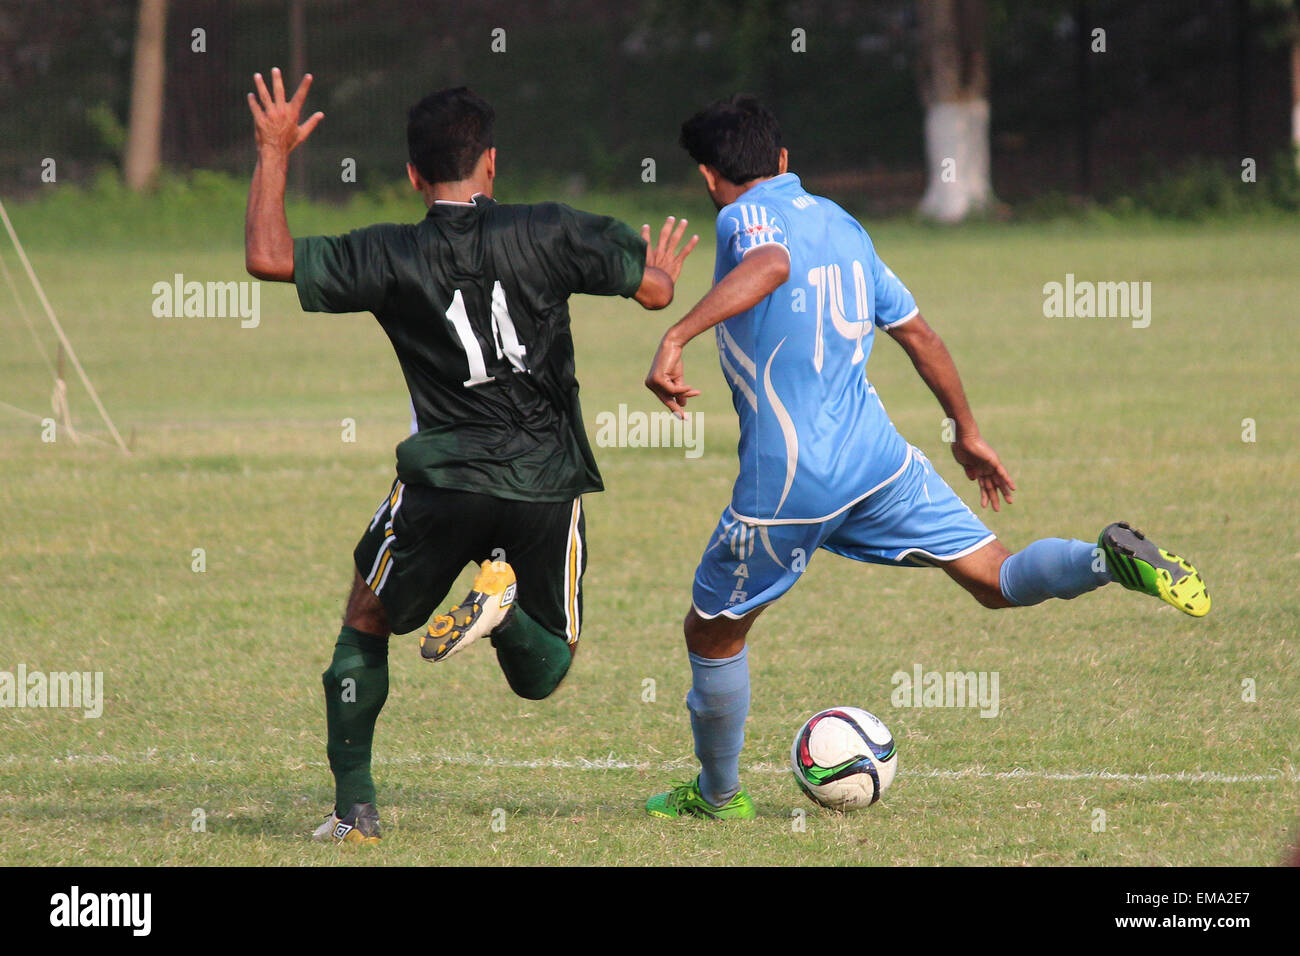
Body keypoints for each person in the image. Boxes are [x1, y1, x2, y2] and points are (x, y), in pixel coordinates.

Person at [641, 95, 1210, 820]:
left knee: (712, 632)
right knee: (995, 577)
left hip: (789, 480)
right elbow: (919, 334)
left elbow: (771, 262)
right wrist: (965, 431)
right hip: (878, 462)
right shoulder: (844, 226)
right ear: (784, 161)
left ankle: (719, 796)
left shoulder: (744, 215)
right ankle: (1106, 560)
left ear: (709, 176)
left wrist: (675, 336)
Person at [243, 69, 697, 842]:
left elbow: (268, 255)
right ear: (492, 162)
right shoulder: (549, 228)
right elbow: (654, 292)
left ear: (414, 175)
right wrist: (658, 274)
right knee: (544, 672)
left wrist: (275, 150)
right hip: (546, 477)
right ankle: (506, 611)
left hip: (444, 477)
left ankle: (355, 812)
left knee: (366, 619)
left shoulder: (386, 251)